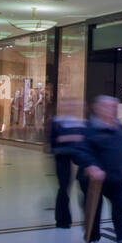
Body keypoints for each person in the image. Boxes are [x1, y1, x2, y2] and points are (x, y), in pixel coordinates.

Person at [82, 96, 122, 243]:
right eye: (108, 107)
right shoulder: (90, 127)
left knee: (119, 207)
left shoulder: (119, 126)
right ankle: (92, 238)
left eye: (113, 107)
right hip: (94, 178)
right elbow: (82, 150)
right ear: (98, 109)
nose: (112, 110)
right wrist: (91, 166)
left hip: (115, 176)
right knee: (94, 209)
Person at [48, 97, 91, 229]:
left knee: (85, 186)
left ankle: (89, 219)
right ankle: (62, 220)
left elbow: (87, 140)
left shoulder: (83, 122)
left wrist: (67, 138)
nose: (72, 108)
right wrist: (73, 138)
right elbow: (55, 141)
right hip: (62, 156)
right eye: (68, 105)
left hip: (81, 156)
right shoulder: (57, 122)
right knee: (64, 187)